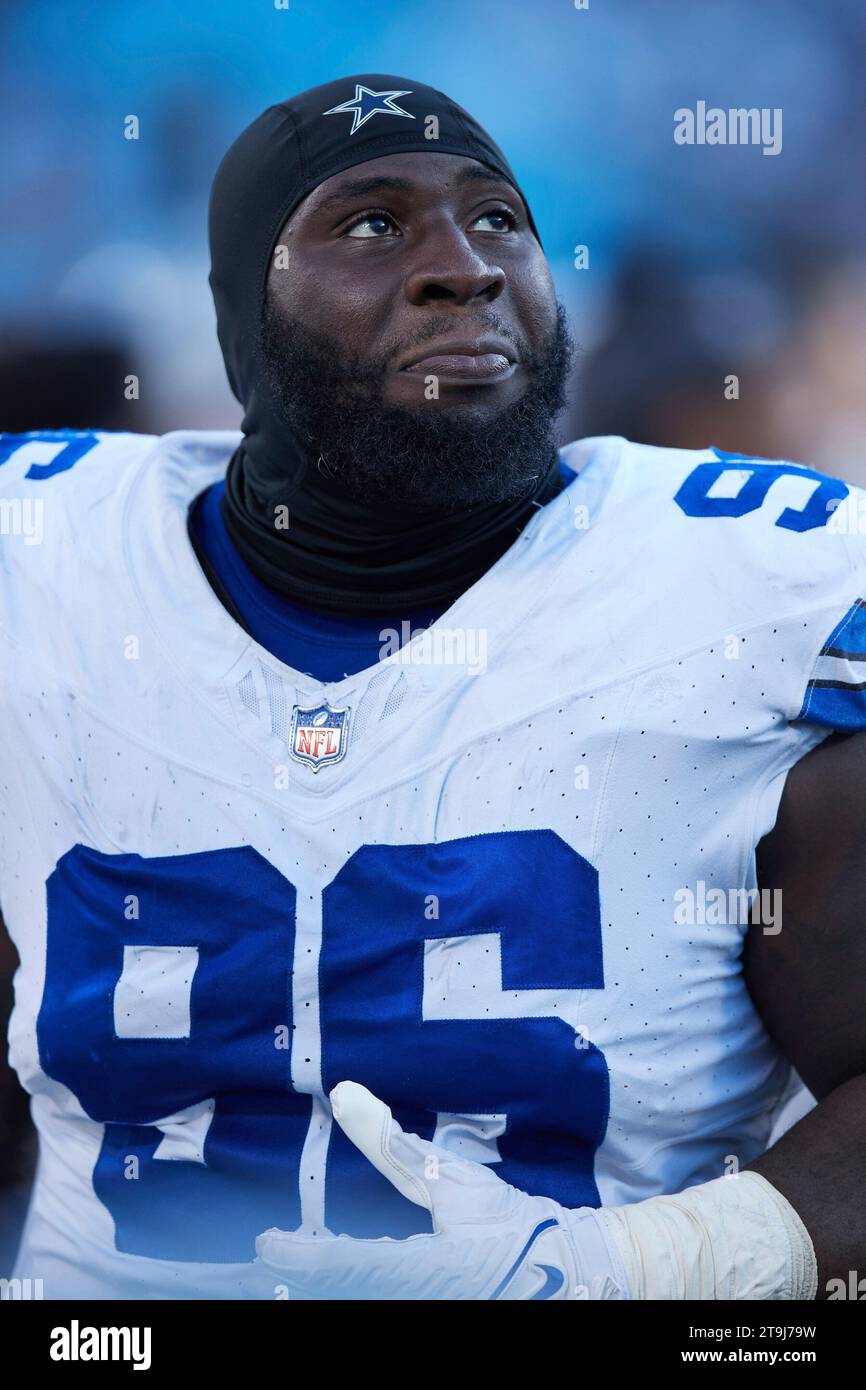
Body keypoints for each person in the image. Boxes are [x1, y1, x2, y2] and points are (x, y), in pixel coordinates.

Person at [2, 74, 865, 1301]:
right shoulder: (43, 555)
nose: (462, 266)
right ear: (242, 312)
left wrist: (642, 1267)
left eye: (498, 218)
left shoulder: (754, 590)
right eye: (370, 223)